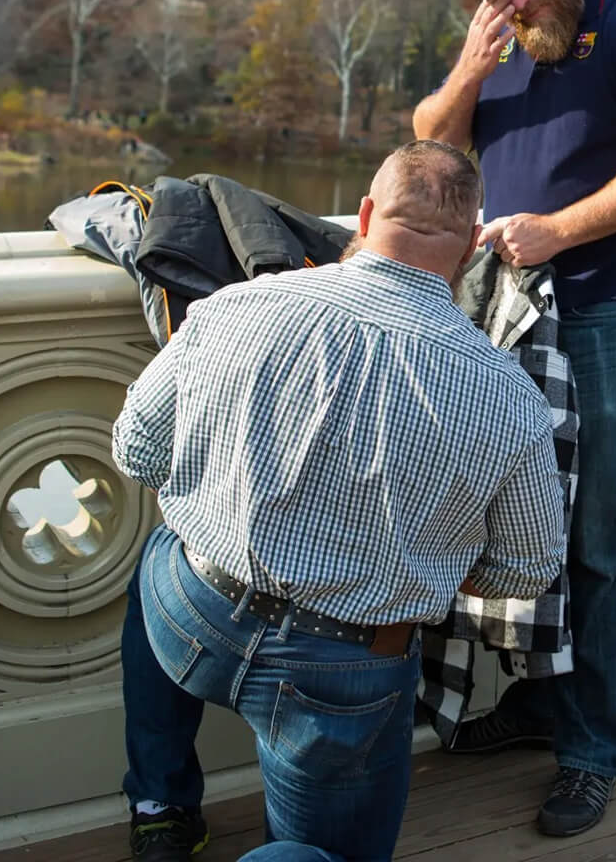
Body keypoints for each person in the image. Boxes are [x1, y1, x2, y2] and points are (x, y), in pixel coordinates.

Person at [111, 140, 567, 862]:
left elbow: (135, 450)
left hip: (190, 612)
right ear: (472, 246)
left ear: (363, 215)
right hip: (340, 674)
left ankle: (160, 802)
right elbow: (528, 570)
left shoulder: (237, 305)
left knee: (161, 550)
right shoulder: (507, 392)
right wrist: (426, 560)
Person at [411, 0, 616, 836]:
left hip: (609, 314)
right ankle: (540, 701)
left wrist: (557, 232)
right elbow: (427, 147)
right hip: (499, 316)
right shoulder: (499, 40)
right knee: (506, 524)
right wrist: (468, 68)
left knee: (598, 542)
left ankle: (591, 751)